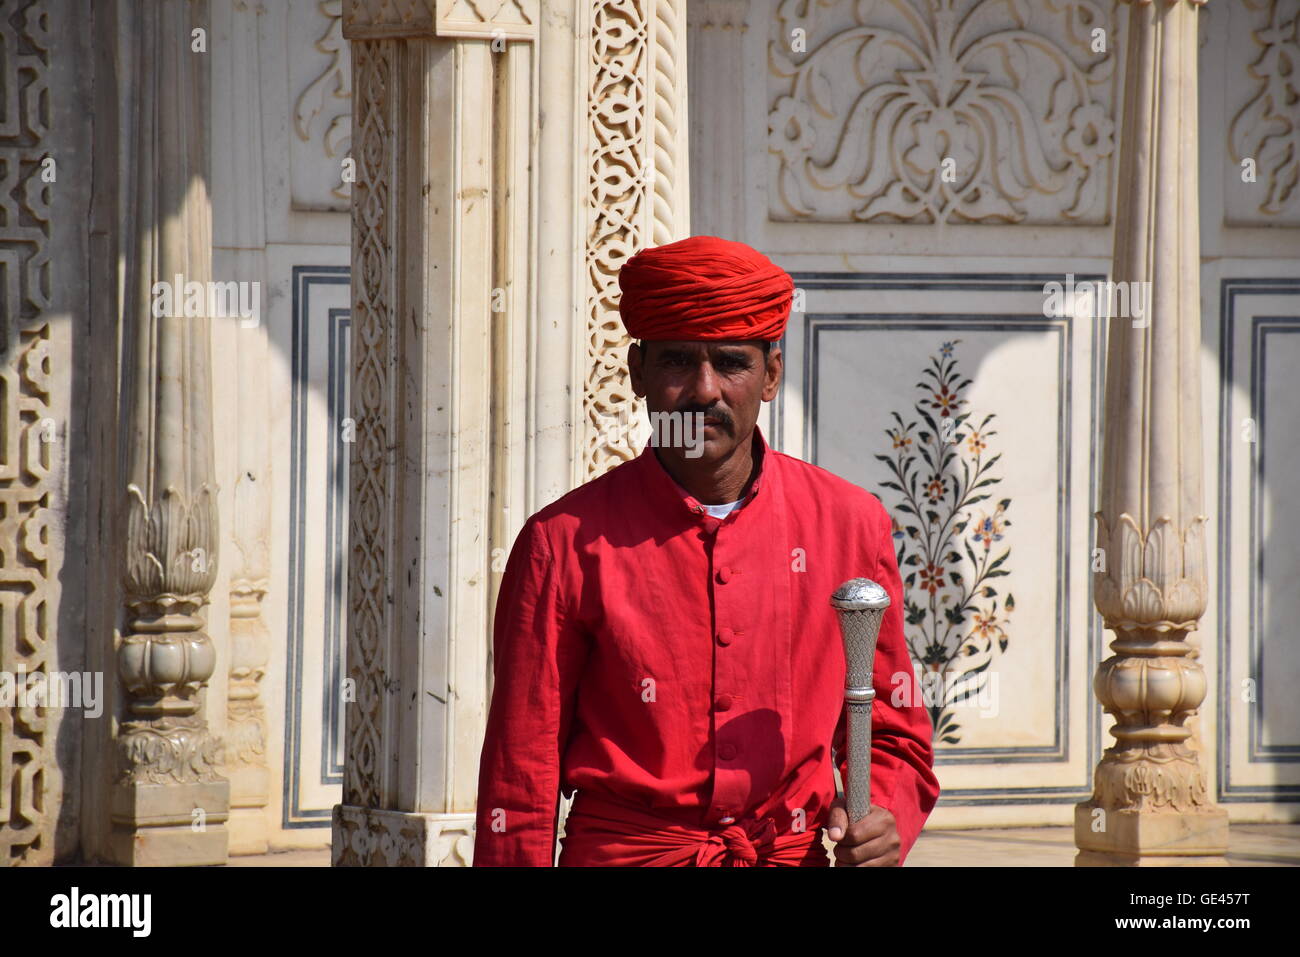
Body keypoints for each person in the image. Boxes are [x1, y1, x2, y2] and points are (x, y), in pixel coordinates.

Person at [473, 235, 939, 866]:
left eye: (730, 362)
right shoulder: (563, 544)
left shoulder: (849, 526)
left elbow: (894, 729)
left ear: (771, 374)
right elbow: (520, 774)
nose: (703, 390)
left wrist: (883, 817)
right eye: (675, 362)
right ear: (637, 373)